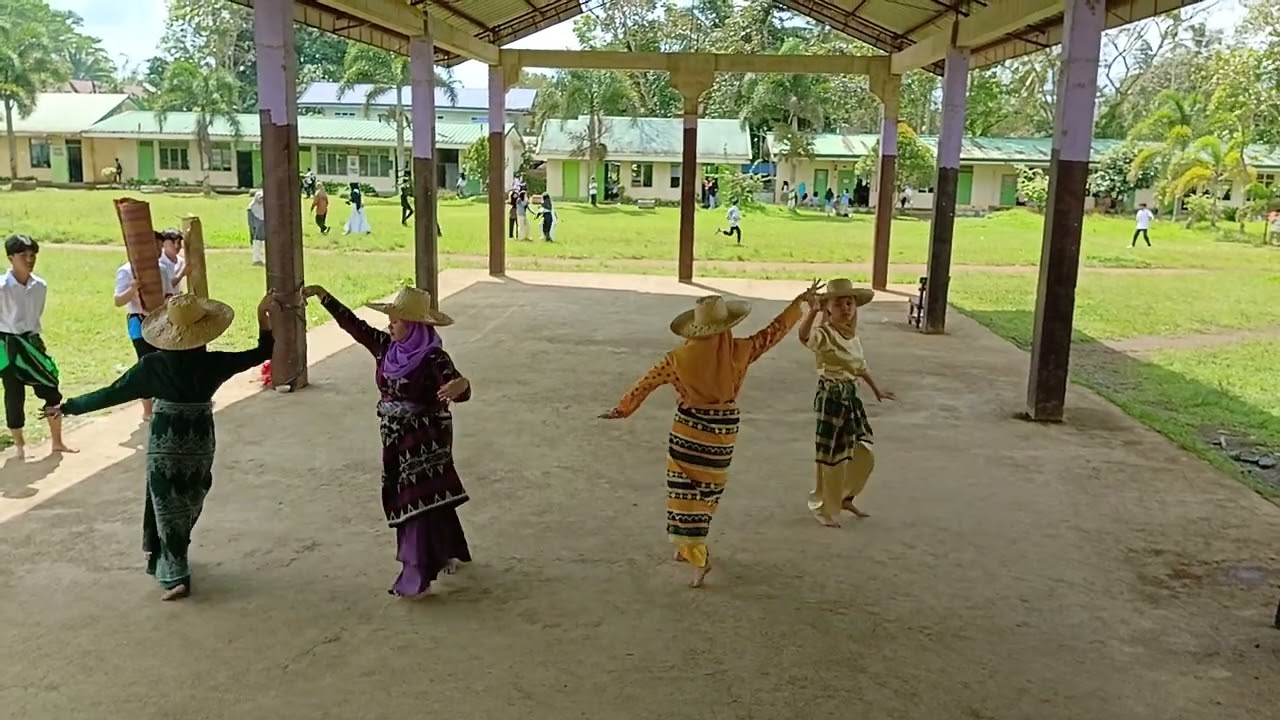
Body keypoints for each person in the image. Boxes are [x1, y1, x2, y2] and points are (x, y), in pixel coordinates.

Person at [46, 293, 277, 601]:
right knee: (190, 496)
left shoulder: (152, 367)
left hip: (164, 443)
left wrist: (68, 407)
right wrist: (263, 316)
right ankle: (176, 553)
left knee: (165, 504)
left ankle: (176, 573)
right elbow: (262, 352)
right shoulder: (215, 363)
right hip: (200, 441)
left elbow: (111, 394)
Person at [599, 281, 822, 588]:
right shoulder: (741, 350)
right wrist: (799, 304)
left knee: (682, 494)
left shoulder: (676, 359)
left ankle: (697, 555)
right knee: (706, 492)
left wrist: (622, 409)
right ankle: (686, 546)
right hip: (723, 432)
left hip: (688, 431)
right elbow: (773, 332)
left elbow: (645, 384)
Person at [301, 284, 473, 599]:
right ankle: (447, 548)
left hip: (426, 438)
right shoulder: (385, 348)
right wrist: (324, 296)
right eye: (390, 321)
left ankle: (416, 572)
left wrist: (461, 387)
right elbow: (354, 326)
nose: (389, 326)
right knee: (424, 494)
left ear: (415, 326)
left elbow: (456, 385)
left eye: (396, 322)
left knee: (414, 499)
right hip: (394, 437)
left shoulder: (434, 357)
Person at [796, 278, 895, 527]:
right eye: (838, 304)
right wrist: (812, 311)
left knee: (863, 451)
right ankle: (822, 507)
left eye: (849, 303)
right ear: (829, 308)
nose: (846, 309)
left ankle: (844, 497)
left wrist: (877, 390)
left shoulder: (851, 336)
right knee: (830, 457)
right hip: (831, 399)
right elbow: (805, 337)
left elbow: (859, 367)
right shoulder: (826, 334)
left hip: (850, 398)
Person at [1, 235, 74, 459]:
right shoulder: (2, 287)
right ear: (11, 258)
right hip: (6, 343)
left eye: (32, 255)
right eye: (23, 255)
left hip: (31, 342)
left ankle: (57, 442)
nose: (29, 259)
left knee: (51, 386)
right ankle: (20, 446)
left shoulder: (39, 286)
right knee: (14, 392)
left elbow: (36, 315)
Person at [115, 235, 181, 421]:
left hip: (161, 320)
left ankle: (165, 402)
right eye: (154, 248)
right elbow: (118, 301)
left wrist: (172, 302)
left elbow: (168, 294)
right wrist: (132, 290)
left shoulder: (161, 270)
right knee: (146, 363)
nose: (157, 252)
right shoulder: (126, 271)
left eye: (159, 248)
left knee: (165, 362)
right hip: (138, 322)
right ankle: (148, 410)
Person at [247, 190, 266, 266]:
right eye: (260, 198)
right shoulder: (251, 208)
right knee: (256, 241)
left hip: (264, 226)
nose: (261, 200)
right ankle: (257, 259)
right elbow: (251, 222)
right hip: (256, 228)